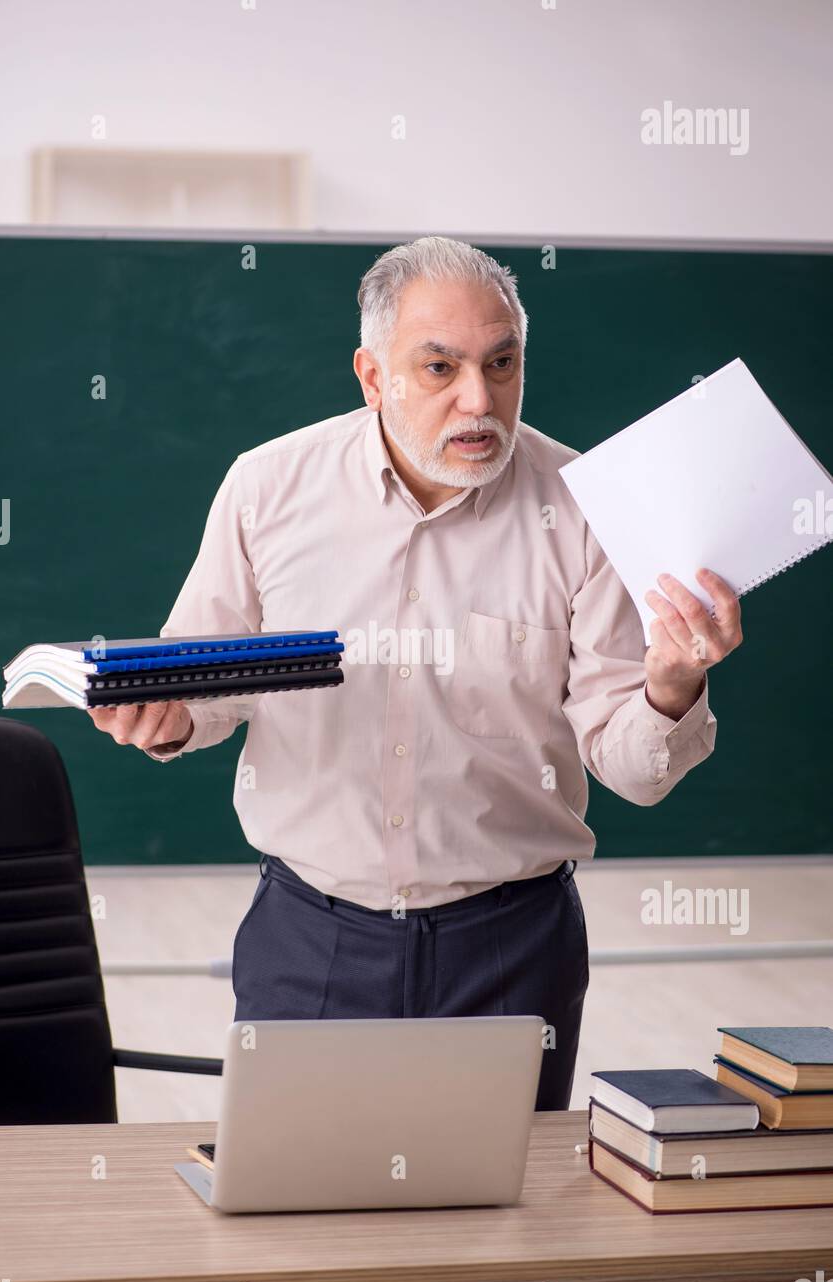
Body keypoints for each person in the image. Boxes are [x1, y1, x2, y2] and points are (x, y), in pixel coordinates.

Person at [87, 236, 742, 1109]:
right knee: (293, 1218)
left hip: (510, 951)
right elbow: (205, 677)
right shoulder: (266, 489)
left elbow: (633, 771)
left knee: (494, 1229)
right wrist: (169, 716)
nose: (479, 400)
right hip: (308, 939)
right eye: (440, 368)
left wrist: (670, 686)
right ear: (371, 375)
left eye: (501, 364)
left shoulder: (586, 508)